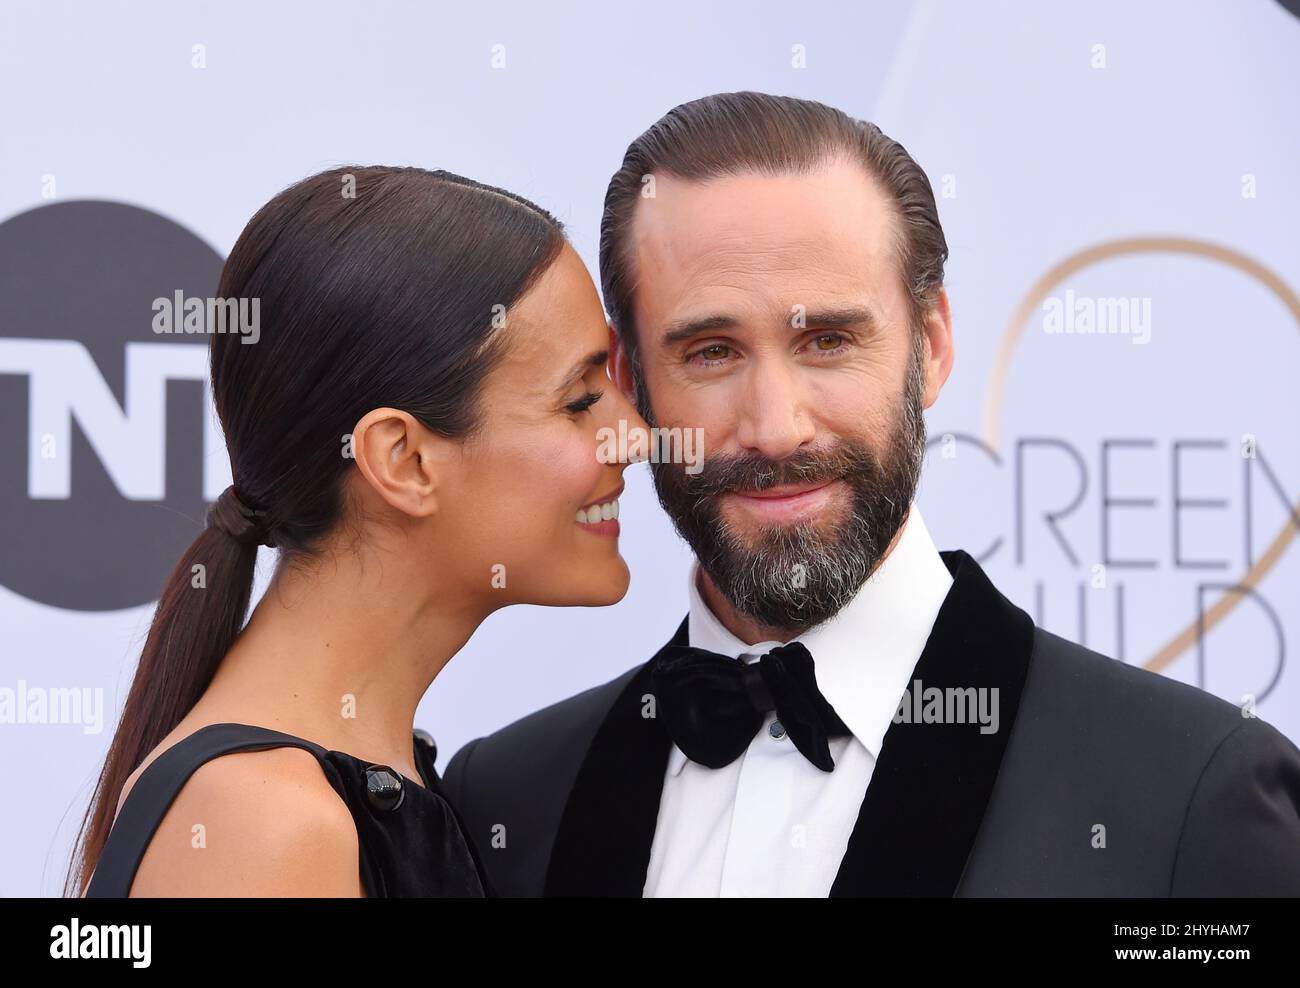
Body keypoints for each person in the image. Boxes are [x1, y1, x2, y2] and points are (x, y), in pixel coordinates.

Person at [442, 92, 1300, 896]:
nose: (776, 428)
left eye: (827, 341)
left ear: (930, 347)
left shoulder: (1189, 792)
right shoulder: (507, 799)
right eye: (710, 352)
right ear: (633, 382)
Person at [68, 165, 646, 897]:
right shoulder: (268, 821)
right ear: (402, 459)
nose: (634, 434)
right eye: (580, 400)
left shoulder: (339, 793)